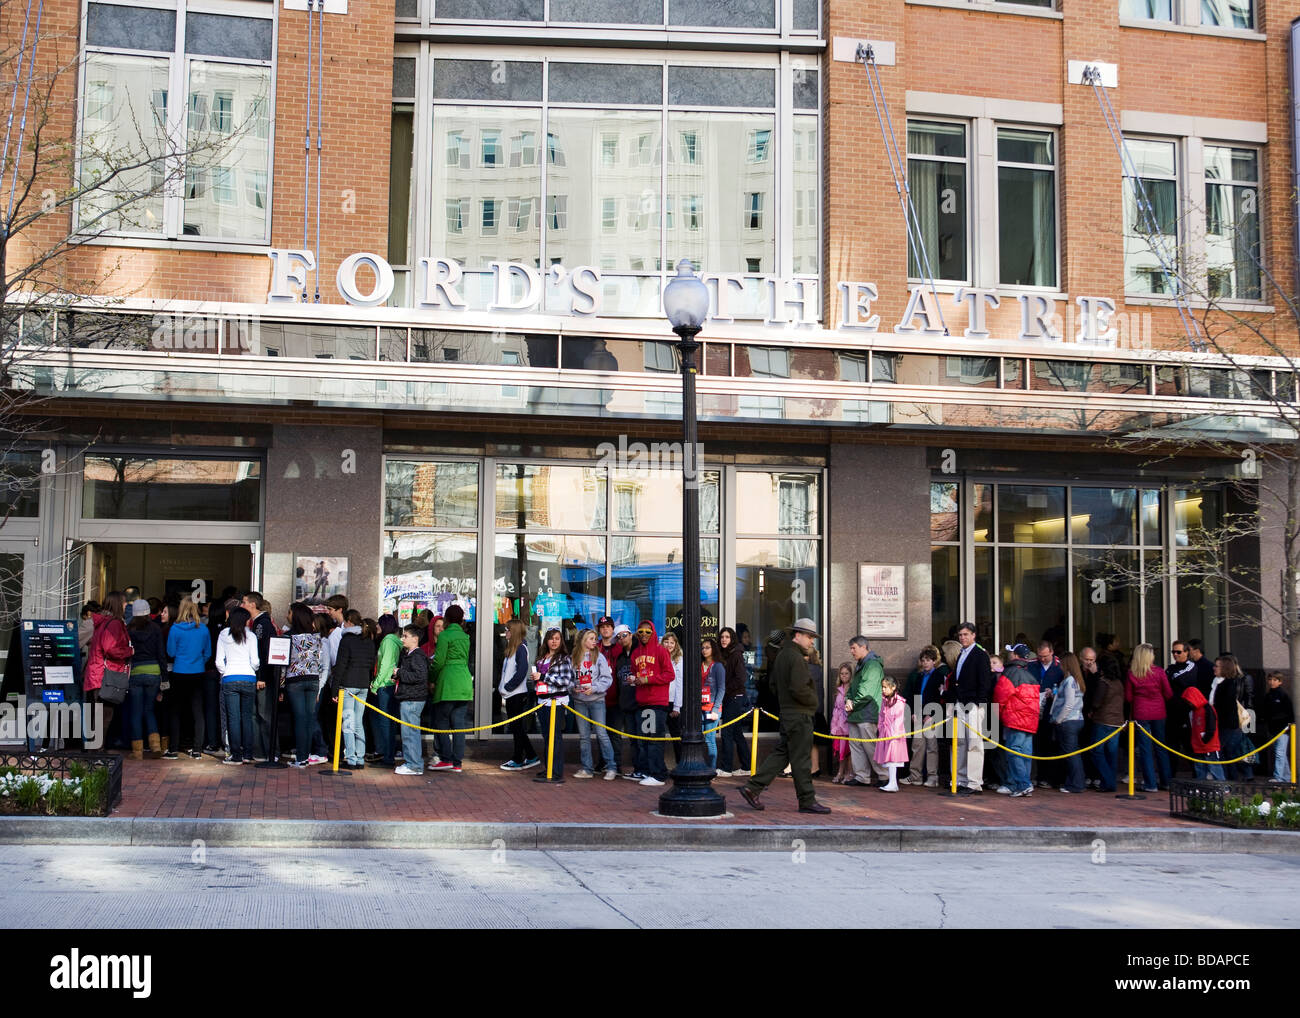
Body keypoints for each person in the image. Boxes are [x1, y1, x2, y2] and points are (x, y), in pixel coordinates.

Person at [738, 618, 831, 814]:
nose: (812, 641)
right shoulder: (795, 658)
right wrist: (813, 703)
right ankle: (807, 800)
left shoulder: (782, 655)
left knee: (783, 754)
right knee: (801, 759)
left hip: (788, 714)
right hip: (799, 715)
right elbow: (799, 688)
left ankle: (752, 788)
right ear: (798, 635)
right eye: (810, 637)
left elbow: (773, 686)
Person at [629, 621, 674, 787]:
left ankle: (659, 774)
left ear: (653, 632)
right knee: (645, 740)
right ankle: (648, 771)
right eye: (640, 632)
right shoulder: (636, 653)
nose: (644, 635)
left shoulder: (661, 651)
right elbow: (635, 674)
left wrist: (648, 679)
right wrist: (633, 679)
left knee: (654, 739)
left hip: (657, 702)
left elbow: (670, 675)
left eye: (647, 632)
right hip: (642, 702)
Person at [991, 644, 1040, 797]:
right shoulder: (1031, 675)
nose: (1009, 654)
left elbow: (1000, 697)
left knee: (1013, 753)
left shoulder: (1010, 673)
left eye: (1011, 652)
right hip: (1030, 720)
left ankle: (1022, 784)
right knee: (1025, 753)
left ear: (1016, 656)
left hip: (1015, 720)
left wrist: (998, 716)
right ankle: (1021, 783)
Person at [84, 592, 131, 749]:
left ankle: (93, 751)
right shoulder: (114, 623)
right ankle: (96, 752)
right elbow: (111, 649)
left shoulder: (102, 622)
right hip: (105, 676)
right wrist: (129, 651)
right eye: (124, 603)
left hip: (95, 674)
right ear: (118, 604)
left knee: (98, 715)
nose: (126, 606)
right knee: (104, 715)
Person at [165, 599, 211, 760]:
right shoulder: (203, 629)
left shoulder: (175, 629)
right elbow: (208, 653)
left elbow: (170, 652)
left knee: (175, 711)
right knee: (198, 711)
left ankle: (173, 749)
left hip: (179, 671)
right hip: (198, 672)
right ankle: (197, 749)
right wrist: (198, 662)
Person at [952, 621, 994, 795]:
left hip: (974, 704)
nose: (963, 637)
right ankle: (961, 779)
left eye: (966, 634)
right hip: (960, 703)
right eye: (961, 635)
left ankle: (974, 782)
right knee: (961, 742)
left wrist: (979, 703)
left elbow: (985, 681)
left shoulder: (980, 654)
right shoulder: (961, 653)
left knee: (974, 744)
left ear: (974, 635)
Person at [430, 604, 473, 773]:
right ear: (462, 619)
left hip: (448, 681)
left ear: (446, 619)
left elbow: (438, 661)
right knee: (459, 724)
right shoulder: (465, 636)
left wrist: (432, 678)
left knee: (441, 722)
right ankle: (457, 762)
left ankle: (446, 758)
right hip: (463, 679)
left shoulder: (445, 636)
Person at [283, 603, 327, 767]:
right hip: (313, 679)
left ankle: (301, 757)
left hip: (295, 680)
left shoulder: (288, 637)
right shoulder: (317, 638)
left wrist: (281, 685)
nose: (287, 615)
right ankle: (306, 755)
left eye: (289, 612)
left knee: (300, 719)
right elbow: (321, 663)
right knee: (309, 718)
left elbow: (283, 664)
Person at [215, 607, 260, 765]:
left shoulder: (223, 635)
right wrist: (251, 670)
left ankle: (236, 755)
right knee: (247, 717)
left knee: (233, 718)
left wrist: (225, 671)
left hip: (230, 678)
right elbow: (255, 661)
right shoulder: (252, 636)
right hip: (249, 678)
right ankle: (248, 754)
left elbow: (219, 661)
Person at [1126, 643, 1173, 792]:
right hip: (1159, 712)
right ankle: (1166, 781)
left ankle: (1150, 784)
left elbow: (1128, 697)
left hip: (1141, 713)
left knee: (1145, 749)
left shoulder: (1132, 673)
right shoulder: (1159, 672)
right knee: (1161, 747)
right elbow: (1169, 693)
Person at [332, 616, 377, 769]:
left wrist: (334, 689)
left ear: (349, 622)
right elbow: (371, 665)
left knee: (349, 723)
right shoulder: (369, 641)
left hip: (348, 684)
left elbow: (340, 665)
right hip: (363, 685)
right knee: (358, 722)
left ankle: (351, 758)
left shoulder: (347, 640)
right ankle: (360, 757)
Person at [570, 628, 615, 779]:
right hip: (579, 701)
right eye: (591, 638)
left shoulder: (599, 657)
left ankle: (611, 767)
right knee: (584, 736)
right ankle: (587, 768)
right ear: (583, 640)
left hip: (597, 701)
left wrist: (594, 688)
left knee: (602, 734)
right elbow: (569, 679)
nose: (594, 641)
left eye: (595, 638)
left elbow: (607, 679)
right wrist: (573, 688)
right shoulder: (574, 658)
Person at [124, 598, 165, 760]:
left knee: (136, 711)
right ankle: (155, 746)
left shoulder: (129, 629)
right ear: (148, 612)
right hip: (154, 672)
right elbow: (161, 654)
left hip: (135, 672)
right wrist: (164, 678)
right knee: (149, 710)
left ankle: (137, 751)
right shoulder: (155, 629)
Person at [843, 636, 886, 787]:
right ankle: (862, 776)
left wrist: (851, 703)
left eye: (854, 648)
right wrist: (848, 700)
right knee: (857, 745)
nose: (851, 651)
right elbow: (854, 687)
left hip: (867, 713)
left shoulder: (872, 665)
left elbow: (866, 691)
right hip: (857, 713)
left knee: (870, 746)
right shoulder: (863, 664)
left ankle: (883, 775)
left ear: (863, 647)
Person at [532, 626, 573, 783]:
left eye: (557, 638)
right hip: (542, 700)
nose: (554, 641)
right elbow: (541, 680)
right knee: (546, 736)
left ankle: (556, 772)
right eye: (551, 638)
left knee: (554, 737)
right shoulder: (542, 657)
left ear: (561, 640)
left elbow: (565, 681)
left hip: (557, 702)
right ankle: (548, 768)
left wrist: (543, 676)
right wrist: (536, 679)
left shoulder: (564, 658)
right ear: (546, 640)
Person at [498, 619, 540, 772]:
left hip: (516, 694)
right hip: (511, 694)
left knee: (517, 728)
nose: (505, 632)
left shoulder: (521, 648)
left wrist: (507, 687)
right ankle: (530, 755)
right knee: (517, 728)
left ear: (514, 631)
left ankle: (518, 758)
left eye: (508, 629)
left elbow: (522, 672)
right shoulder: (513, 649)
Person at [1082, 645, 1123, 792]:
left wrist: (1091, 710)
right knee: (1111, 753)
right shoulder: (1118, 682)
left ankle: (1108, 781)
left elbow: (1097, 701)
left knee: (1096, 751)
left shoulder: (1103, 681)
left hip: (1103, 720)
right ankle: (1109, 782)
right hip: (1117, 722)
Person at [903, 646, 943, 786]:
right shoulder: (920, 677)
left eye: (928, 660)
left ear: (934, 661)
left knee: (932, 747)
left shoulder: (938, 676)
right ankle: (915, 775)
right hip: (919, 714)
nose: (925, 663)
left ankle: (932, 777)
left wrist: (932, 714)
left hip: (932, 715)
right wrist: (914, 712)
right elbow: (916, 695)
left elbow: (938, 697)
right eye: (923, 660)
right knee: (917, 745)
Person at [1027, 641, 1064, 788]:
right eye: (1040, 656)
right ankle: (1036, 775)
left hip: (1050, 711)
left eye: (1045, 656)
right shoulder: (1032, 665)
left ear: (1052, 652)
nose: (1042, 659)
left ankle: (1046, 777)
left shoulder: (1059, 667)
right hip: (1034, 710)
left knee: (1048, 745)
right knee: (1035, 745)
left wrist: (1053, 693)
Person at [1210, 654, 1252, 781]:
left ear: (1224, 669)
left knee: (1221, 751)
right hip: (1221, 723)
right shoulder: (1216, 682)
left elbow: (1225, 707)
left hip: (1227, 725)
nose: (1214, 668)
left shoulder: (1228, 684)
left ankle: (1226, 780)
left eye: (1217, 666)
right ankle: (1230, 780)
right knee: (1227, 753)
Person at [394, 625, 430, 776]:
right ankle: (412, 763)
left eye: (405, 636)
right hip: (410, 697)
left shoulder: (416, 655)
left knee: (410, 733)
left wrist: (400, 673)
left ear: (415, 639)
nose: (402, 639)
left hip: (412, 699)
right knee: (409, 732)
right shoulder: (411, 654)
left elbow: (419, 676)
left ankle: (414, 764)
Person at [716, 626, 751, 775]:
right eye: (722, 637)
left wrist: (725, 688)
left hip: (735, 697)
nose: (724, 640)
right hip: (730, 696)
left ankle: (726, 767)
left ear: (732, 639)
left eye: (727, 637)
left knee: (727, 732)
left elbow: (741, 678)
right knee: (736, 732)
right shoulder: (725, 654)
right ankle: (746, 766)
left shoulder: (735, 654)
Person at [1051, 652, 1087, 793]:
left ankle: (1076, 784)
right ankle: (1074, 782)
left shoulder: (1070, 681)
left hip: (1069, 721)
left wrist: (1059, 720)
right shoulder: (1075, 680)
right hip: (1075, 719)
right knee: (1072, 752)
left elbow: (1069, 703)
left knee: (1071, 754)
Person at [1182, 684, 1224, 780]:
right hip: (1198, 746)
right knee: (1200, 769)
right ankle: (1202, 788)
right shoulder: (1193, 711)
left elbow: (1211, 726)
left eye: (1189, 701)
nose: (1189, 704)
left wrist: (1205, 739)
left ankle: (1223, 788)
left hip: (1208, 745)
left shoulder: (1207, 709)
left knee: (1214, 768)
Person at [875, 676, 908, 792]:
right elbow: (881, 715)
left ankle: (893, 783)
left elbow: (899, 719)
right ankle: (892, 782)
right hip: (885, 733)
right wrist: (880, 727)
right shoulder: (884, 700)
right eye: (882, 687)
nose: (883, 689)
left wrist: (894, 733)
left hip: (894, 735)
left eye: (885, 687)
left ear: (893, 687)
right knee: (888, 759)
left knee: (893, 759)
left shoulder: (899, 702)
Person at [700, 636, 726, 772]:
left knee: (709, 739)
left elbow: (722, 688)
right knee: (698, 737)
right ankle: (700, 765)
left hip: (712, 708)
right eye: (703, 647)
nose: (704, 650)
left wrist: (716, 709)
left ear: (713, 649)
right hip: (699, 707)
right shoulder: (699, 665)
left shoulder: (718, 666)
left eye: (707, 647)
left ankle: (712, 768)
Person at [1262, 672, 1294, 783]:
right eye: (1270, 679)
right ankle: (1287, 776)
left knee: (1280, 753)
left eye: (1275, 680)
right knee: (1280, 753)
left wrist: (1289, 725)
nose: (1272, 682)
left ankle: (1278, 777)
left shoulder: (1283, 695)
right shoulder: (1268, 696)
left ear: (1280, 682)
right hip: (1273, 728)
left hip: (1283, 729)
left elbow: (1289, 712)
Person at [830, 662, 853, 783]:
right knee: (840, 750)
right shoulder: (839, 689)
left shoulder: (853, 688)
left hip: (848, 724)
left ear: (851, 674)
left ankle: (849, 773)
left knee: (848, 751)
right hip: (838, 725)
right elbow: (836, 708)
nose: (844, 676)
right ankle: (840, 772)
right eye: (842, 674)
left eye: (846, 673)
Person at [662, 631, 684, 750]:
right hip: (660, 700)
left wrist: (677, 706)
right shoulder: (659, 656)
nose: (669, 645)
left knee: (675, 734)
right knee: (658, 734)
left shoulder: (678, 659)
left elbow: (679, 683)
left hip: (672, 701)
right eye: (666, 642)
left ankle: (679, 762)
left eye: (672, 642)